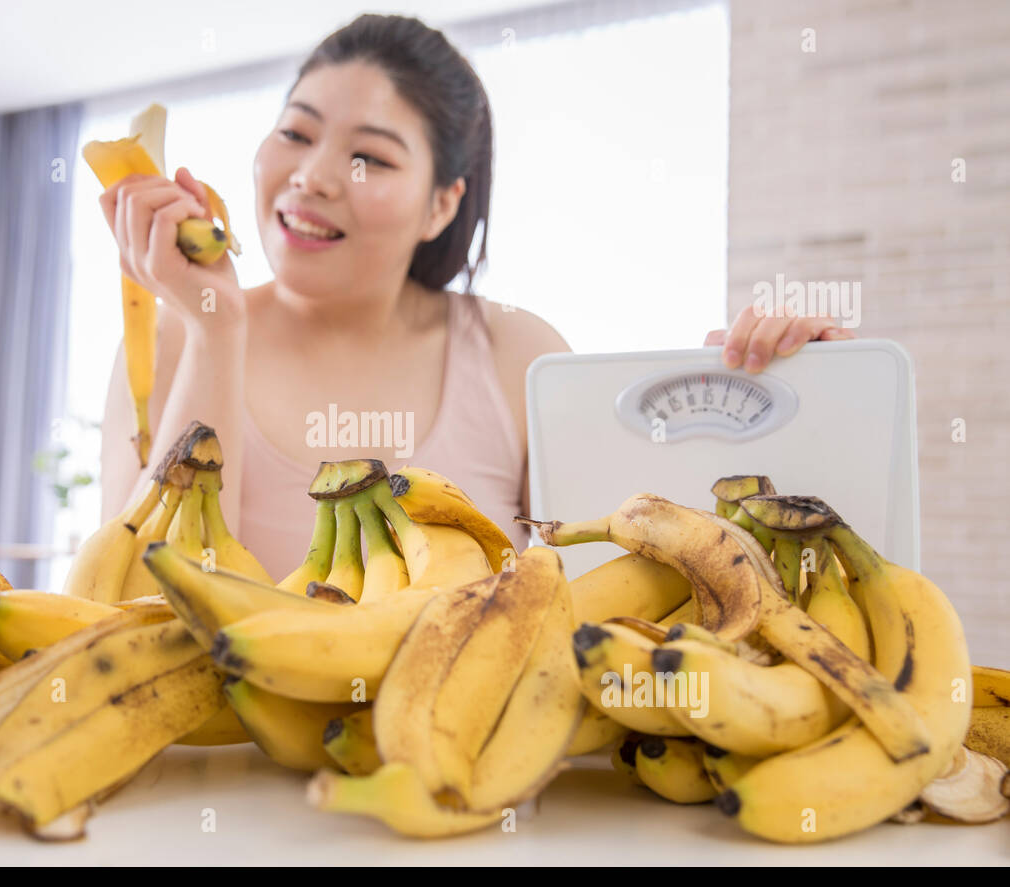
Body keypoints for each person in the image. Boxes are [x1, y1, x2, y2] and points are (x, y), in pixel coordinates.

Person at [96, 13, 853, 580]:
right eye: (296, 134)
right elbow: (143, 614)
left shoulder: (517, 354)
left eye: (369, 156)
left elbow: (630, 585)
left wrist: (796, 404)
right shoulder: (171, 344)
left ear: (442, 204)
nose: (314, 176)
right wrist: (214, 331)